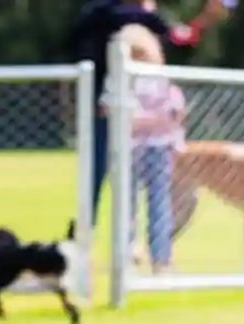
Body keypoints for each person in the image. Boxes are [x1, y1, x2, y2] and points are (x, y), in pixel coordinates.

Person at [68, 0, 226, 219]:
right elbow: (175, 37)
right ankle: (93, 231)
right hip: (109, 104)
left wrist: (205, 20)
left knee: (133, 180)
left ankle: (110, 236)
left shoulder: (135, 14)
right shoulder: (116, 14)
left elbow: (179, 40)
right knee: (103, 170)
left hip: (140, 109)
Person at [120, 24, 186, 274]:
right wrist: (158, 121)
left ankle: (159, 258)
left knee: (157, 205)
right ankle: (137, 256)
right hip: (135, 148)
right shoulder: (126, 81)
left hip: (154, 148)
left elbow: (174, 114)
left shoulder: (157, 81)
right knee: (131, 205)